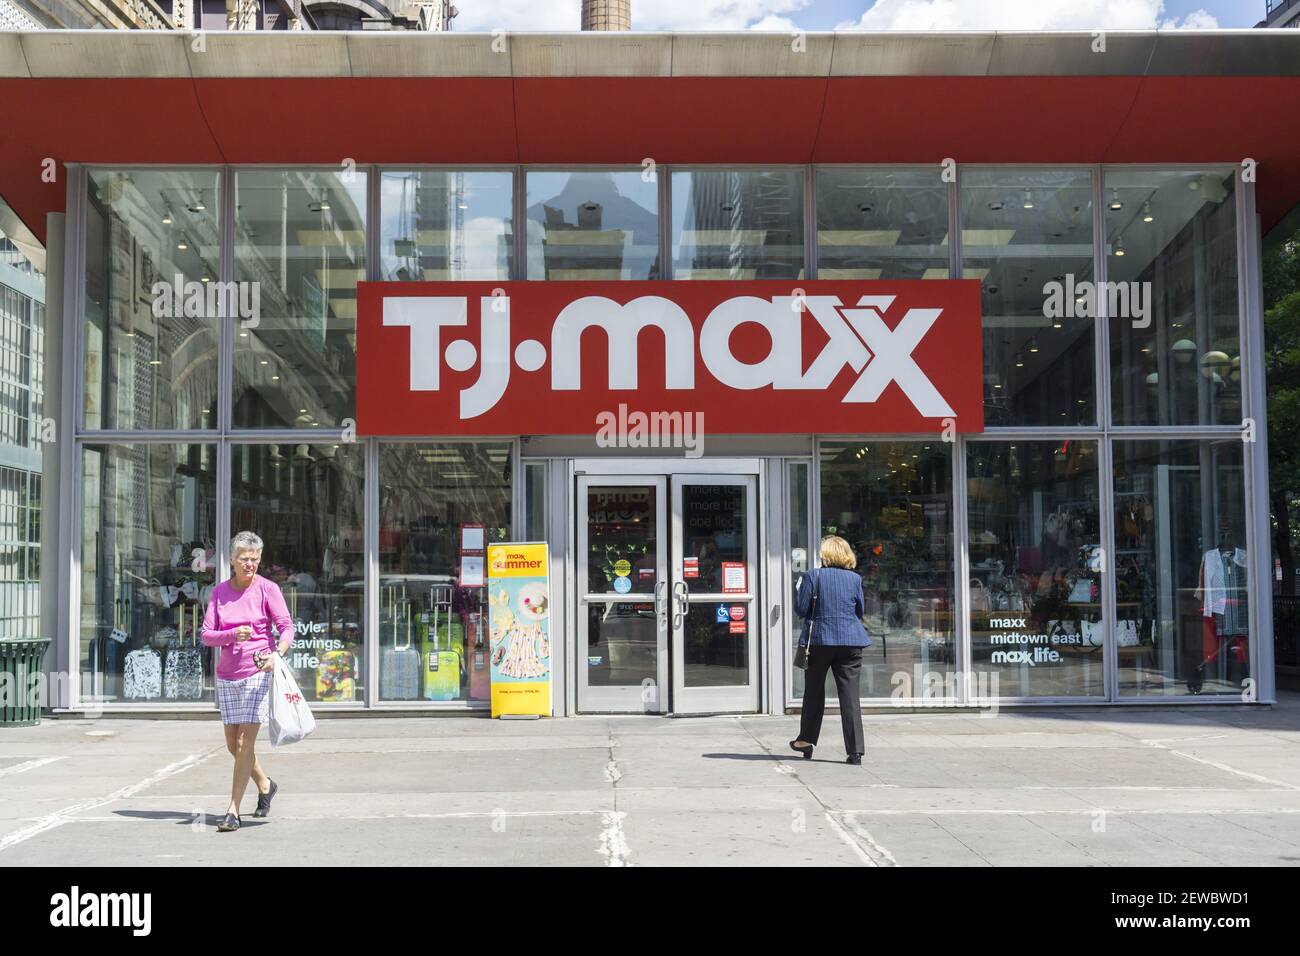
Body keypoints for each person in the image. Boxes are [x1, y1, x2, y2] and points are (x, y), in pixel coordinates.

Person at [201, 531, 294, 832]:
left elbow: (286, 628)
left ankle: (232, 811)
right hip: (228, 675)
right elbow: (206, 635)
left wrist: (275, 655)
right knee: (232, 743)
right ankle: (265, 785)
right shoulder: (219, 593)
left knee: (245, 741)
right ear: (231, 560)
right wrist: (231, 635)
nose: (250, 564)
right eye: (244, 559)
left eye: (255, 559)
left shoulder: (268, 589)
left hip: (258, 671)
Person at [790, 535, 872, 765]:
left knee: (814, 692)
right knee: (850, 696)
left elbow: (801, 609)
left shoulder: (812, 576)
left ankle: (805, 741)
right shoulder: (855, 579)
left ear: (824, 555)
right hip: (851, 641)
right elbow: (860, 610)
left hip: (819, 641)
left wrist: (800, 591)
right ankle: (855, 752)